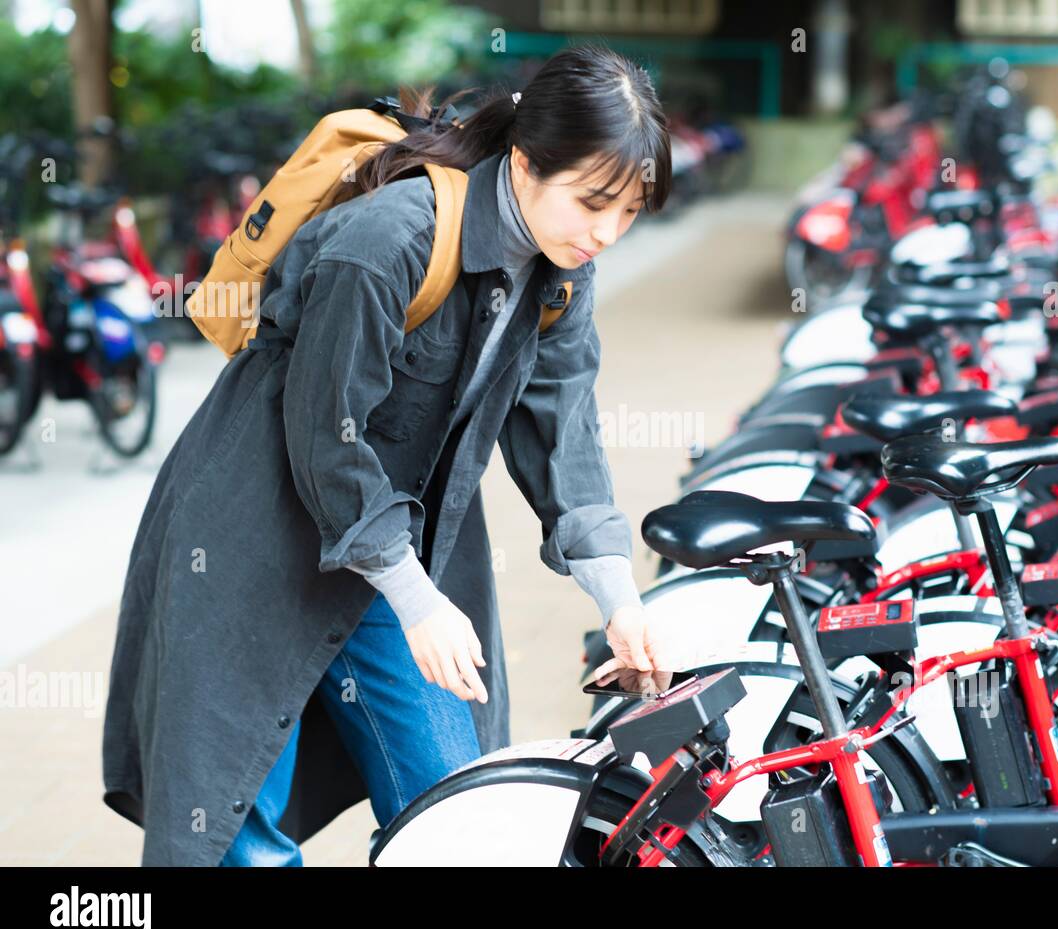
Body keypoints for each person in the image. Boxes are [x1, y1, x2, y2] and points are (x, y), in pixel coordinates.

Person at [100, 44, 673, 866]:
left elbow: (565, 436)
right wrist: (418, 600)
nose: (607, 234)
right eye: (592, 204)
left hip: (386, 555)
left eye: (628, 213)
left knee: (464, 811)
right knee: (236, 835)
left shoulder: (563, 271)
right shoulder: (387, 240)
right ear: (525, 161)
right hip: (252, 543)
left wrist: (618, 601)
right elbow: (324, 433)